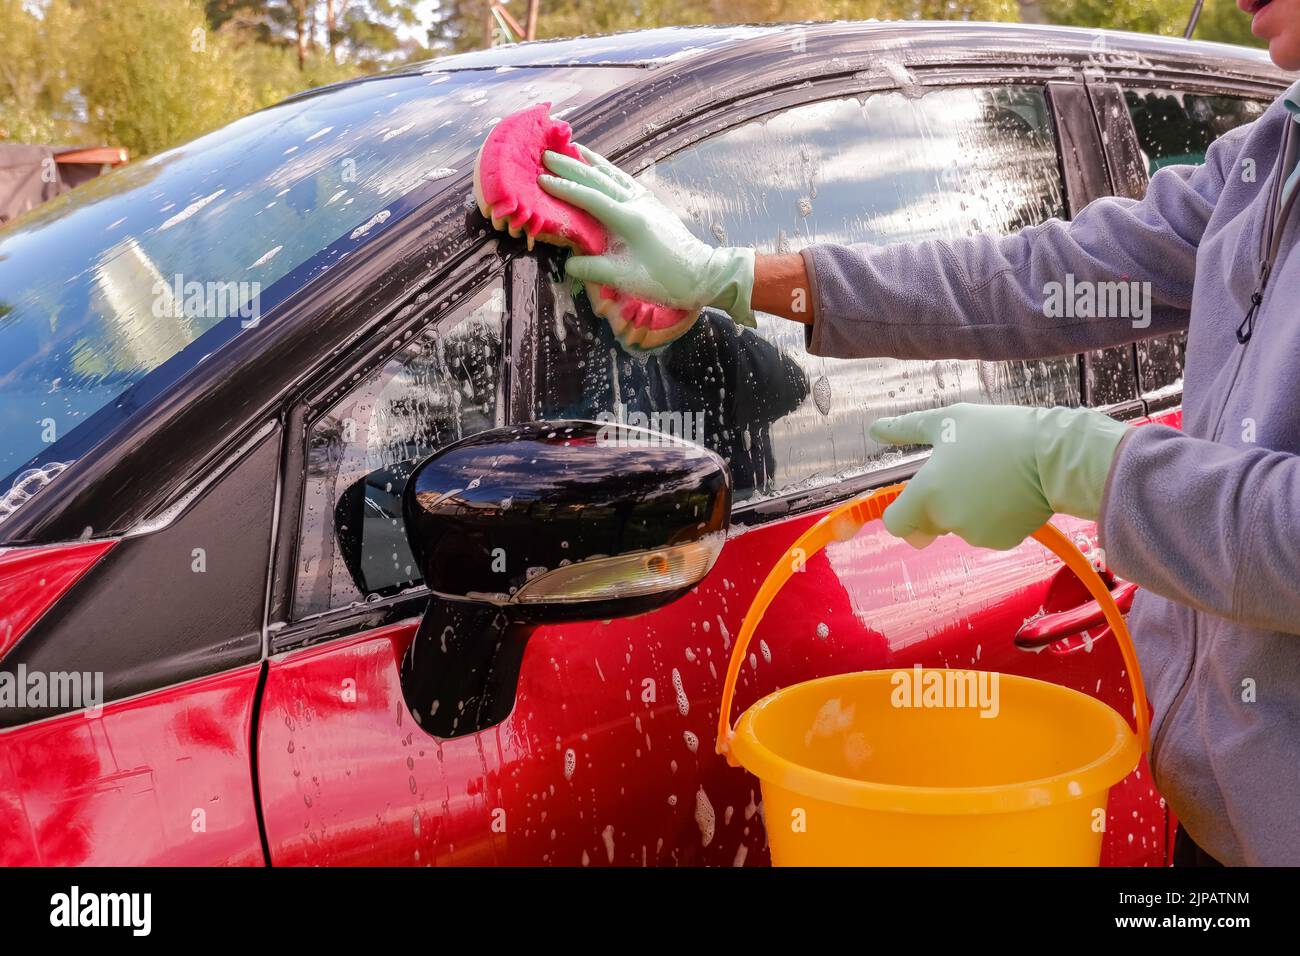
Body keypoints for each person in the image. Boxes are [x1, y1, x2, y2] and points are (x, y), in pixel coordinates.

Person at [536, 2, 1300, 866]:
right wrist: (741, 278)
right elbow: (1044, 281)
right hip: (1216, 836)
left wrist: (1088, 465)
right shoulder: (1268, 160)